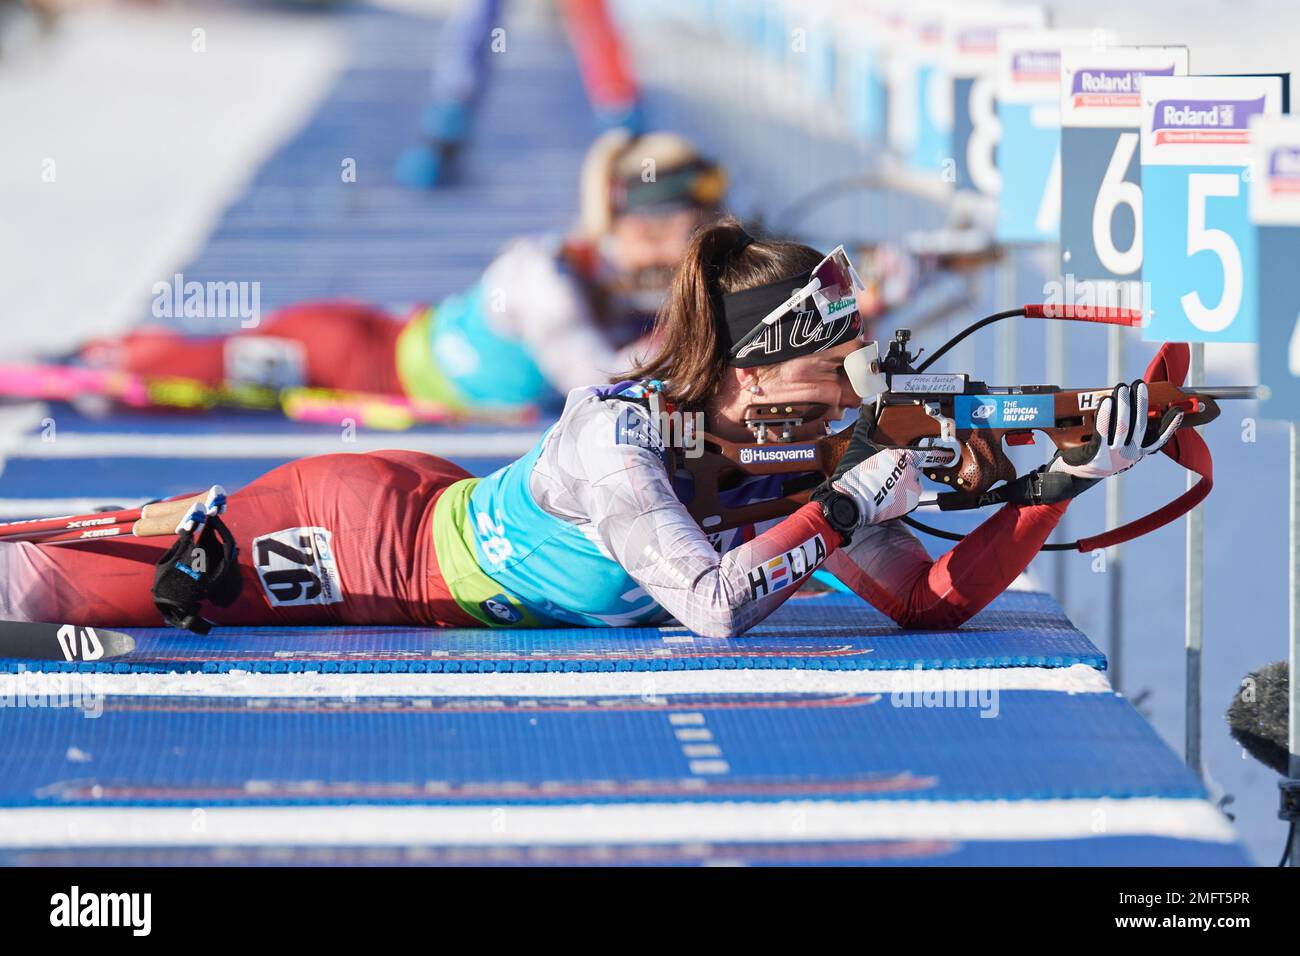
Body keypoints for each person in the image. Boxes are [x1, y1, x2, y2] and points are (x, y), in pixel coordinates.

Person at [0, 219, 1181, 636]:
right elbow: (714, 609)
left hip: (435, 509)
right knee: (57, 588)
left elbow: (924, 603)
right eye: (837, 365)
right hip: (366, 544)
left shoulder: (798, 455)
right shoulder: (620, 438)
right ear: (754, 370)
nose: (856, 388)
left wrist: (1056, 484)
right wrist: (858, 500)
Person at [76, 130, 727, 412]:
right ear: (645, 225)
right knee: (182, 373)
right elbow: (595, 383)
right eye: (698, 226)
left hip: (382, 335)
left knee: (208, 358)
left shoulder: (607, 269)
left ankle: (136, 347)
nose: (707, 240)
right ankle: (104, 357)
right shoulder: (546, 280)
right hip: (354, 360)